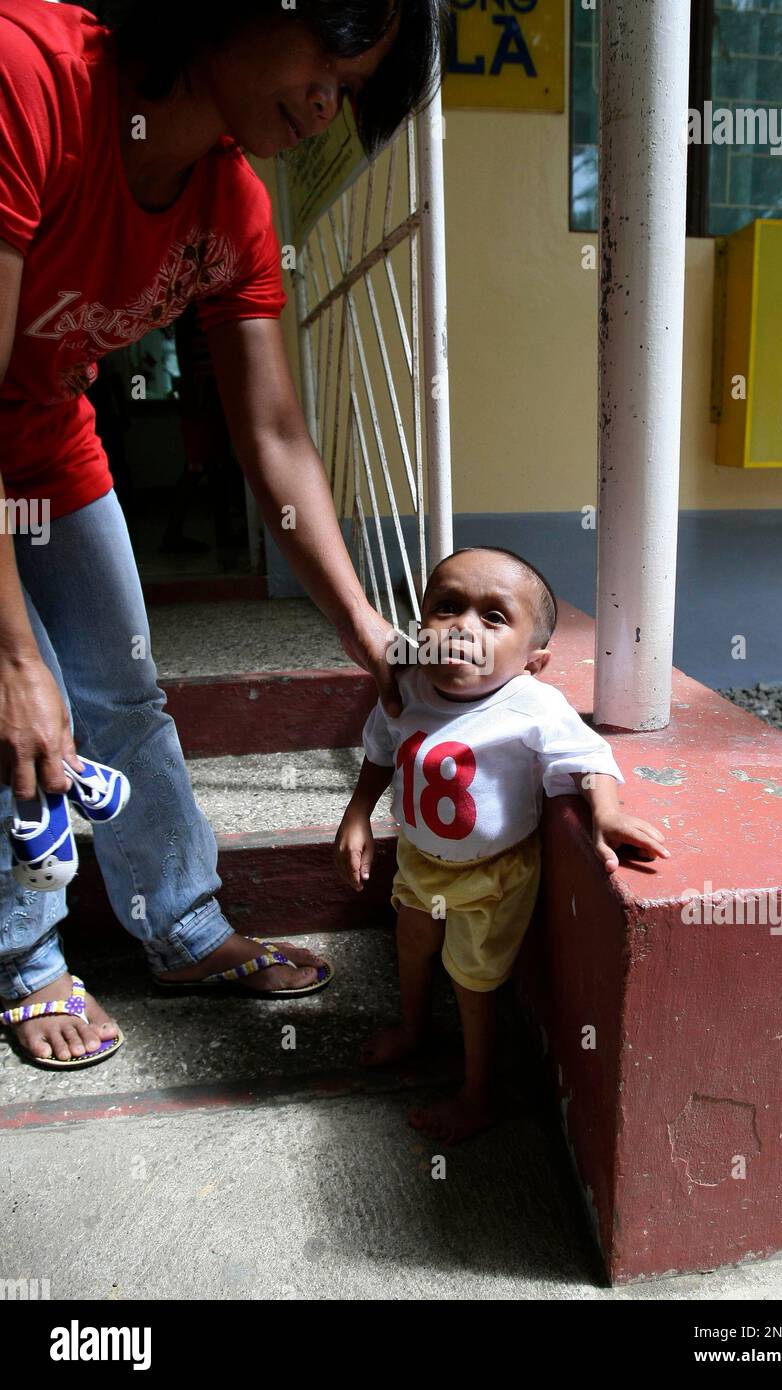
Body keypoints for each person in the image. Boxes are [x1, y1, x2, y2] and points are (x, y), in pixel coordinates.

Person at [0, 0, 446, 1067]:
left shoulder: (234, 207)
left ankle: (182, 925)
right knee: (20, 707)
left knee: (124, 689)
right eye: (334, 55)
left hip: (48, 449)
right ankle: (24, 957)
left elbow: (277, 437)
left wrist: (365, 627)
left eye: (350, 92)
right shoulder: (31, 78)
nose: (324, 102)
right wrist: (14, 655)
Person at [334, 547, 671, 1143]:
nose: (464, 624)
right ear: (419, 627)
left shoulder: (532, 706)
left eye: (494, 617)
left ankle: (478, 1092)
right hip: (418, 860)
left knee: (474, 980)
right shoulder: (406, 686)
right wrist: (357, 814)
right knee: (412, 946)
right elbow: (382, 751)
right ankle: (414, 1030)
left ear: (534, 660)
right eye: (448, 606)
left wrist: (607, 813)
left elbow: (588, 756)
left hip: (493, 877)